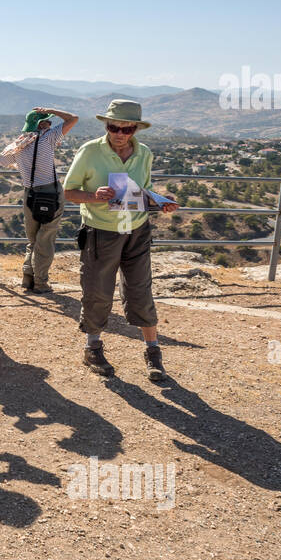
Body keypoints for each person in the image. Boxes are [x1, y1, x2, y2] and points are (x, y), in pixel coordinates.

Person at [63, 99, 179, 381]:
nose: (119, 134)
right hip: (101, 230)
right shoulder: (90, 151)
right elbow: (69, 191)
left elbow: (144, 189)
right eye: (114, 127)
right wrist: (93, 196)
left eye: (127, 129)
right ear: (106, 125)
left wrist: (159, 202)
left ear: (136, 129)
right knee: (98, 291)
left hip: (137, 229)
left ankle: (153, 351)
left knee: (141, 290)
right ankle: (93, 348)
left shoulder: (145, 153)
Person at [0, 106, 79, 292]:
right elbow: (73, 118)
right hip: (50, 192)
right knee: (46, 238)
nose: (51, 124)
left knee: (32, 239)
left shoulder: (17, 145)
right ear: (41, 125)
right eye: (48, 121)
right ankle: (41, 282)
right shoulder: (48, 138)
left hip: (29, 194)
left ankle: (27, 278)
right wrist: (52, 109)